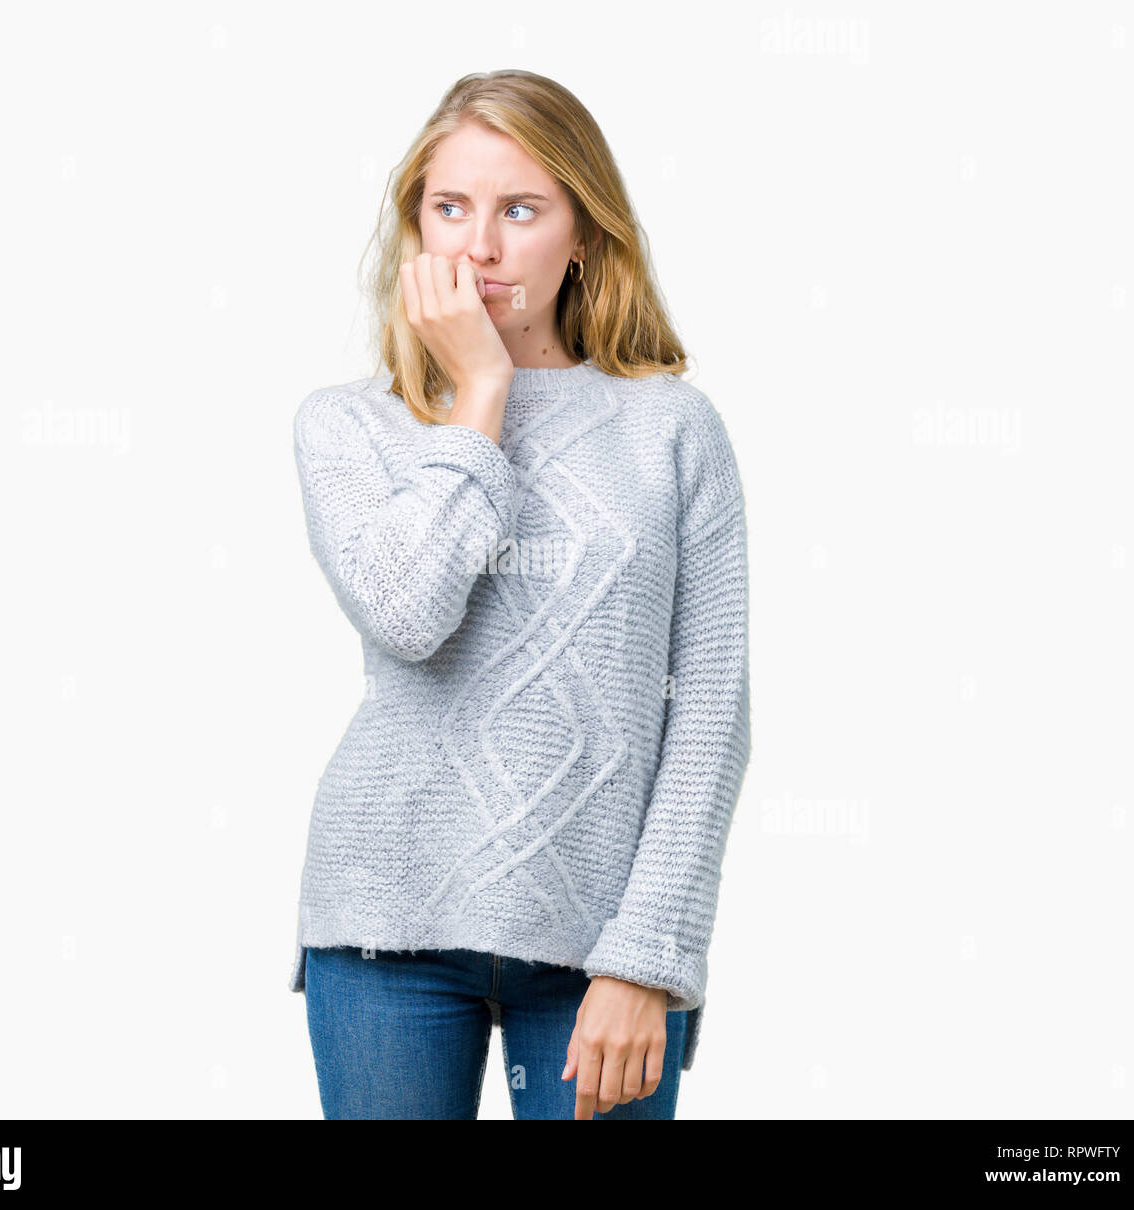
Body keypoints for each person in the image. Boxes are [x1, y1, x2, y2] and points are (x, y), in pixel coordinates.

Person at [288, 69, 751, 1120]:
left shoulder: (672, 430)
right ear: (416, 227)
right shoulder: (347, 427)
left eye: (520, 210)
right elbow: (409, 614)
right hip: (384, 924)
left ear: (583, 234)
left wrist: (649, 956)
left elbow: (711, 714)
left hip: (604, 947)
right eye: (449, 208)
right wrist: (482, 392)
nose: (480, 247)